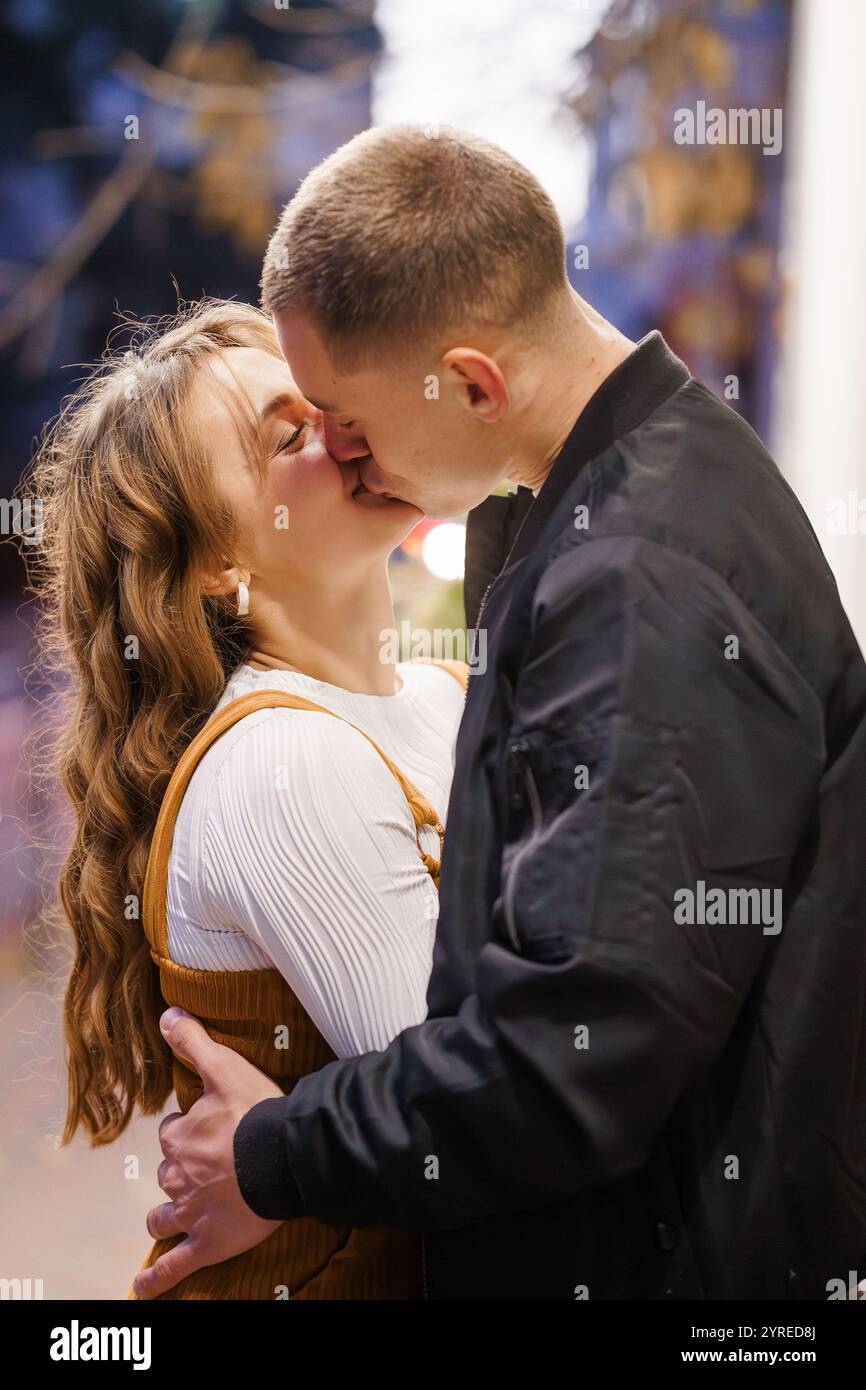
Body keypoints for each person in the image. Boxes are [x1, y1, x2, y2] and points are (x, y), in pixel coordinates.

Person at [136, 125, 866, 1301]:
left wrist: (275, 1153)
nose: (341, 453)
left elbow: (570, 1055)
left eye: (344, 418)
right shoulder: (632, 501)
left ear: (473, 382)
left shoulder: (632, 579)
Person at [23, 298, 467, 1299]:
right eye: (288, 435)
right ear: (221, 563)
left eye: (327, 397)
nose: (342, 428)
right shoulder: (282, 762)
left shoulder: (442, 696)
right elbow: (473, 1121)